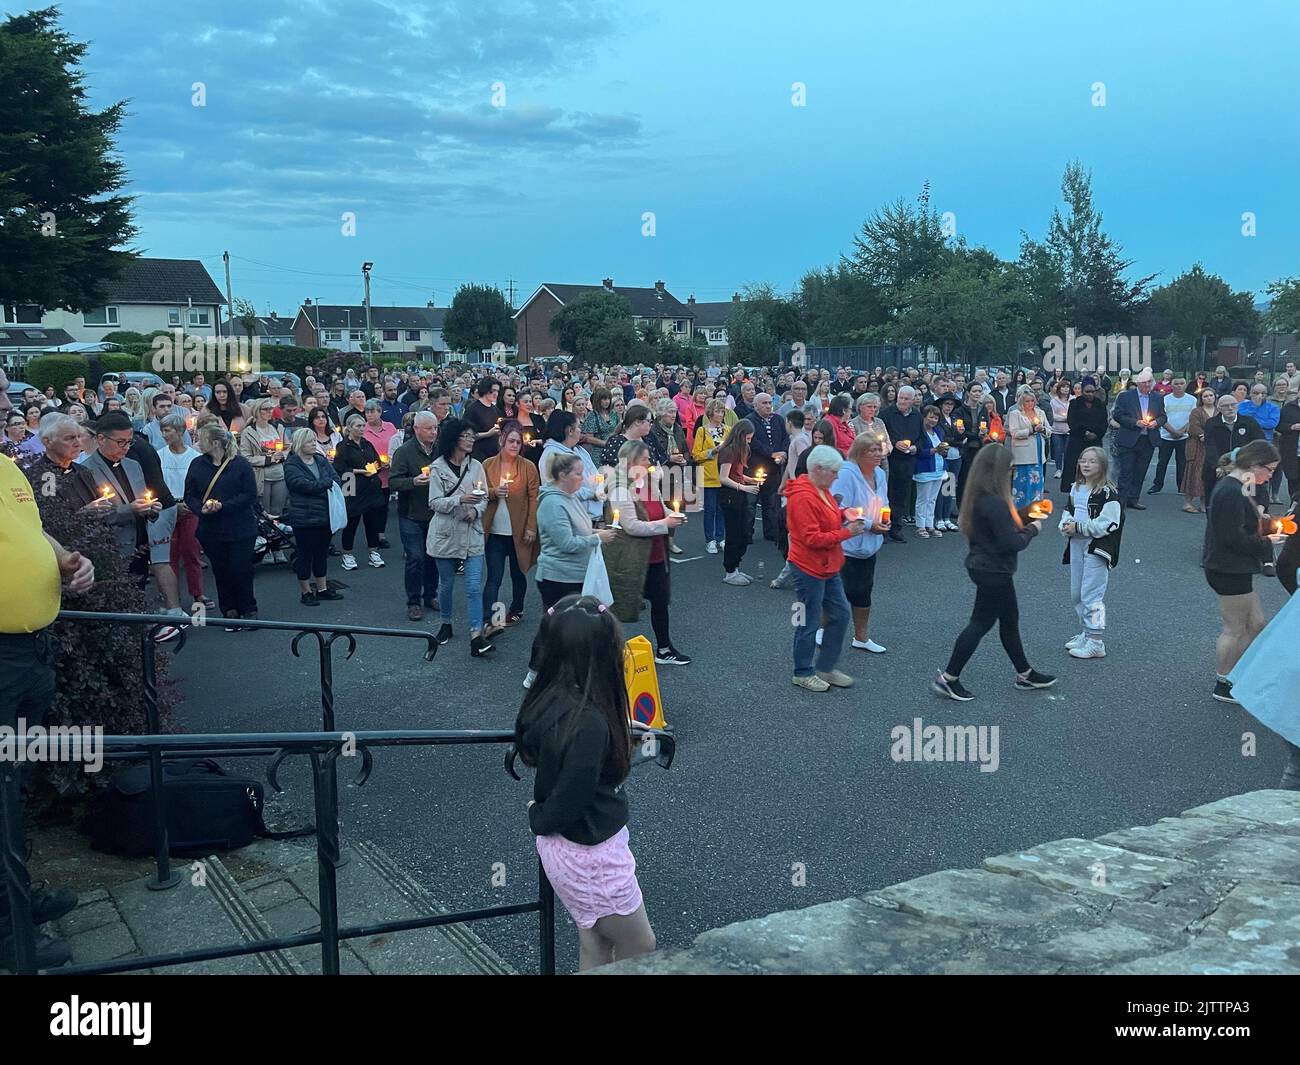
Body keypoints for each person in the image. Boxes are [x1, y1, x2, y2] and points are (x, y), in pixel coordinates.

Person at [513, 594, 655, 971]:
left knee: (595, 941)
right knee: (640, 943)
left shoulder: (552, 701)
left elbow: (568, 754)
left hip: (575, 851)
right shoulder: (588, 722)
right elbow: (572, 793)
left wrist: (617, 730)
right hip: (590, 852)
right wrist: (538, 818)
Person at [0, 448, 95, 970]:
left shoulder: (5, 466)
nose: (7, 404)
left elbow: (34, 534)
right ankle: (6, 930)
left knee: (15, 783)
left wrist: (64, 559)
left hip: (30, 652)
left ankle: (16, 893)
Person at [932, 444, 1056, 701]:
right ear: (998, 471)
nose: (1012, 473)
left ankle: (1025, 673)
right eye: (1009, 469)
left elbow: (1004, 525)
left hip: (985, 567)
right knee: (980, 624)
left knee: (1009, 621)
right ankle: (949, 677)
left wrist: (1031, 512)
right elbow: (1011, 542)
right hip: (994, 571)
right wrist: (1033, 530)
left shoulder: (981, 497)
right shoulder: (994, 502)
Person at [1203, 440, 1285, 704]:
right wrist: (1267, 542)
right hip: (1228, 568)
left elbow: (1241, 526)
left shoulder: (1237, 487)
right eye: (1270, 470)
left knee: (1257, 624)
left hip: (1234, 567)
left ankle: (1242, 671)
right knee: (1235, 628)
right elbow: (1231, 538)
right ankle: (1224, 681)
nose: (1272, 476)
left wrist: (1270, 526)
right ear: (1253, 464)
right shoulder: (1231, 491)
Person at [784, 445, 864, 692]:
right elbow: (811, 539)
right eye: (834, 472)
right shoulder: (803, 497)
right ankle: (803, 671)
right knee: (808, 621)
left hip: (827, 565)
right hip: (808, 567)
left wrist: (842, 513)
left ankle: (825, 668)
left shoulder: (820, 489)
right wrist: (846, 532)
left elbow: (824, 520)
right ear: (818, 469)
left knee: (840, 615)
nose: (837, 477)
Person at [603, 440, 690, 665]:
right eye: (645, 458)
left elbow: (660, 509)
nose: (650, 462)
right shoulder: (620, 487)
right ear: (632, 461)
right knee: (621, 603)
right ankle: (609, 651)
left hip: (656, 552)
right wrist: (666, 523)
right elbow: (631, 525)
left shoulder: (647, 481)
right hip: (631, 557)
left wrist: (673, 515)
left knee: (660, 601)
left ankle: (664, 648)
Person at [184, 421, 258, 631]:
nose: (198, 443)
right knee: (221, 569)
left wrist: (223, 506)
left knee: (241, 568)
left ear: (215, 443)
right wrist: (201, 509)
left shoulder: (240, 464)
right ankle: (229, 610)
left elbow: (249, 494)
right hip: (211, 529)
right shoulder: (197, 464)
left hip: (240, 526)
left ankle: (249, 608)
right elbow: (189, 494)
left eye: (202, 439)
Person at [426, 418, 491, 655]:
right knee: (447, 584)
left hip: (472, 532)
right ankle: (446, 623)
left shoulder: (476, 466)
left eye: (473, 436)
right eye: (467, 436)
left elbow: (483, 496)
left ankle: (476, 635)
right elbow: (433, 502)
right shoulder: (438, 468)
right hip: (446, 532)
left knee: (474, 586)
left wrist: (475, 510)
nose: (471, 439)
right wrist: (460, 500)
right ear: (454, 438)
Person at [1058, 446, 1123, 660]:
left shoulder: (1108, 492)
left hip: (1098, 547)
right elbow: (1069, 510)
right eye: (1083, 460)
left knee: (1092, 594)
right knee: (1077, 592)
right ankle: (1086, 632)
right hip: (1077, 545)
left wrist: (1080, 527)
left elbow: (1110, 523)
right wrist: (1066, 523)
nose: (1086, 465)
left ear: (1102, 465)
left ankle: (1096, 640)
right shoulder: (1076, 488)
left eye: (1092, 461)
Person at [829, 434, 890, 653]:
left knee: (864, 591)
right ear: (859, 453)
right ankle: (821, 630)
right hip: (847, 544)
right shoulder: (846, 474)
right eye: (872, 450)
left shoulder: (880, 474)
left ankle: (861, 637)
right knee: (839, 591)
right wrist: (867, 524)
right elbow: (840, 508)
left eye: (879, 450)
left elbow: (884, 501)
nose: (877, 454)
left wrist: (884, 519)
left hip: (870, 545)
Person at [535, 452, 618, 609]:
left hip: (575, 575)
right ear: (563, 475)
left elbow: (579, 530)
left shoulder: (570, 496)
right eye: (578, 474)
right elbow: (567, 543)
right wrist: (598, 538)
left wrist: (597, 532)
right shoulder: (553, 504)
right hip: (560, 579)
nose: (583, 478)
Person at [482, 423, 540, 635]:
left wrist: (531, 527)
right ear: (502, 441)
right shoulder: (488, 464)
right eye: (511, 441)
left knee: (518, 573)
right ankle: (490, 619)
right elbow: (478, 491)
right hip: (495, 531)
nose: (515, 445)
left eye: (518, 442)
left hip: (519, 530)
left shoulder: (528, 467)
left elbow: (534, 498)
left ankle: (517, 609)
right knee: (494, 577)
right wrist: (493, 492)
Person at [283, 427, 345, 606]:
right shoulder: (292, 464)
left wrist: (319, 485)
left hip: (325, 515)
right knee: (305, 555)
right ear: (301, 443)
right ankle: (306, 591)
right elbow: (300, 485)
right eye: (310, 441)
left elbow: (335, 479)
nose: (313, 444)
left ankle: (322, 587)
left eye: (314, 441)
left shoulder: (320, 459)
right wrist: (323, 485)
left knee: (321, 553)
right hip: (304, 518)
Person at [156, 413, 212, 611]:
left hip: (189, 508)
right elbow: (158, 485)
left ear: (180, 431)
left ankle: (198, 593)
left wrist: (190, 503)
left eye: (168, 430)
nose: (164, 434)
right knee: (168, 555)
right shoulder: (159, 456)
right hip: (168, 509)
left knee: (191, 552)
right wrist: (171, 504)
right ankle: (172, 598)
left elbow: (200, 485)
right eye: (162, 430)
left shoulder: (195, 457)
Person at [389, 410, 440, 621]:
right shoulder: (404, 452)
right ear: (416, 429)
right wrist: (412, 482)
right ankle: (413, 602)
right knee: (415, 558)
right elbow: (393, 482)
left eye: (435, 428)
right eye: (429, 428)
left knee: (433, 557)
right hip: (411, 513)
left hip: (435, 512)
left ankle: (430, 595)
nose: (433, 432)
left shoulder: (440, 450)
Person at [238, 399, 290, 561]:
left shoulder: (277, 427)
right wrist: (267, 460)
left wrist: (282, 455)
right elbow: (245, 456)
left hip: (279, 474)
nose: (269, 412)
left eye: (270, 409)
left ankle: (277, 547)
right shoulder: (249, 432)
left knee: (277, 513)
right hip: (262, 476)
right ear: (257, 411)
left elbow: (289, 447)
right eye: (265, 409)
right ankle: (266, 549)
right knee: (263, 514)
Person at [716, 420, 761, 585]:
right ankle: (730, 571)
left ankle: (735, 567)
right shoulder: (729, 451)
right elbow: (723, 478)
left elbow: (736, 473)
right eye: (748, 438)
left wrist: (750, 479)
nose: (749, 441)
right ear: (741, 435)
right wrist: (743, 487)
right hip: (730, 496)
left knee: (742, 532)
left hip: (738, 494)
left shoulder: (739, 450)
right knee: (734, 534)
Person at [1202, 394, 1264, 507]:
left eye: (1233, 405)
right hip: (1219, 470)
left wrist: (1249, 463)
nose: (1230, 408)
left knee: (1247, 502)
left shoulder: (1249, 422)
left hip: (1245, 469)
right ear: (1218, 408)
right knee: (1217, 504)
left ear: (1238, 406)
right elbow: (1210, 446)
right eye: (1225, 406)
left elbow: (1258, 444)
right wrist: (1218, 465)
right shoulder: (1212, 423)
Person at [746, 392, 790, 543]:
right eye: (764, 403)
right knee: (751, 503)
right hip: (754, 467)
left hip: (774, 468)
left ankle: (770, 532)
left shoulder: (778, 419)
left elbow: (785, 437)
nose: (768, 405)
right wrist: (772, 453)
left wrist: (783, 452)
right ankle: (747, 533)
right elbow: (753, 442)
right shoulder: (749, 420)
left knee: (771, 503)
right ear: (756, 405)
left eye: (770, 402)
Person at [880, 386, 921, 541]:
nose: (902, 401)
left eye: (906, 399)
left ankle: (896, 527)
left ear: (912, 400)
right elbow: (882, 434)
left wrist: (915, 447)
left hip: (908, 461)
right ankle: (883, 528)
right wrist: (895, 443)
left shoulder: (917, 416)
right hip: (890, 460)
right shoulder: (887, 414)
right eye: (901, 398)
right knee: (886, 495)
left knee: (901, 497)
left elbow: (922, 438)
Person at [691, 398, 728, 553]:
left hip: (724, 475)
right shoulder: (702, 431)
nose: (720, 414)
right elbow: (695, 454)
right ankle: (710, 539)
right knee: (710, 509)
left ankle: (721, 537)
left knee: (722, 509)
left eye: (722, 411)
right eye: (717, 411)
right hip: (707, 475)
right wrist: (712, 452)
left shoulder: (728, 429)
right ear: (710, 413)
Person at [1059, 377, 1108, 490]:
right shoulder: (1075, 403)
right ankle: (1073, 494)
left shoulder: (1100, 404)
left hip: (1094, 441)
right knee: (1075, 468)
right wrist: (1084, 432)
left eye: (1092, 391)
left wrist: (1096, 433)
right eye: (1087, 391)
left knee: (1094, 467)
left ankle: (1093, 492)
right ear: (1082, 391)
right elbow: (1072, 421)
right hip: (1077, 440)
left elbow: (1103, 422)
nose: (1090, 394)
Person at [362, 398, 399, 548]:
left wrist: (391, 462)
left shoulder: (390, 427)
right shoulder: (362, 429)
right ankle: (371, 536)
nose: (369, 415)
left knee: (383, 506)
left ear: (379, 412)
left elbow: (397, 445)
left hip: (387, 473)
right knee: (371, 507)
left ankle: (381, 534)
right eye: (367, 412)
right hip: (370, 474)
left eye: (372, 411)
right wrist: (375, 466)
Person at [1151, 376, 1195, 497]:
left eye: (1182, 383)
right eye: (1176, 383)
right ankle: (1157, 485)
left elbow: (1193, 418)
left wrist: (1181, 431)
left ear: (1185, 385)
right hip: (1166, 436)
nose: (1179, 386)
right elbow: (1160, 417)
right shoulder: (1164, 399)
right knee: (1162, 462)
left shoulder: (1192, 400)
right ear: (1171, 385)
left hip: (1184, 436)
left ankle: (1181, 486)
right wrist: (1173, 431)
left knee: (1182, 463)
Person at [1007, 386, 1049, 508]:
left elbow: (1050, 430)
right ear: (1022, 402)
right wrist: (1031, 430)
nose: (1030, 403)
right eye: (1027, 401)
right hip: (1023, 454)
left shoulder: (1041, 412)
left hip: (1038, 451)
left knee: (1037, 484)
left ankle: (1035, 507)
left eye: (1032, 401)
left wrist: (1044, 430)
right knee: (1022, 484)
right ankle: (1019, 509)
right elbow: (1014, 432)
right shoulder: (1015, 414)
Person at [912, 405, 948, 537]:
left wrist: (943, 450)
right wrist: (934, 450)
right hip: (925, 468)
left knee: (932, 499)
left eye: (936, 418)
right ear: (924, 417)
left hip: (938, 467)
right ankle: (920, 526)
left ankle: (930, 524)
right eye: (931, 417)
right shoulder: (920, 432)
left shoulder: (938, 431)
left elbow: (941, 446)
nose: (933, 420)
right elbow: (918, 451)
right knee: (923, 498)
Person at [465, 377, 502, 462]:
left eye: (497, 391)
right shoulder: (472, 409)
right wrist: (487, 434)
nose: (495, 394)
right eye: (493, 390)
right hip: (477, 455)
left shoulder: (496, 410)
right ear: (485, 389)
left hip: (494, 454)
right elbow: (466, 435)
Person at [1048, 379, 1072, 478]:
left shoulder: (1073, 399)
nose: (1065, 389)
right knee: (1058, 450)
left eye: (1067, 387)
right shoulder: (1054, 401)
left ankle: (1067, 470)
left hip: (1069, 430)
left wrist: (1070, 419)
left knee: (1068, 451)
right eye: (1063, 387)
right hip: (1057, 430)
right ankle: (1058, 469)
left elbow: (1074, 414)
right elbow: (1053, 416)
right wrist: (1066, 418)